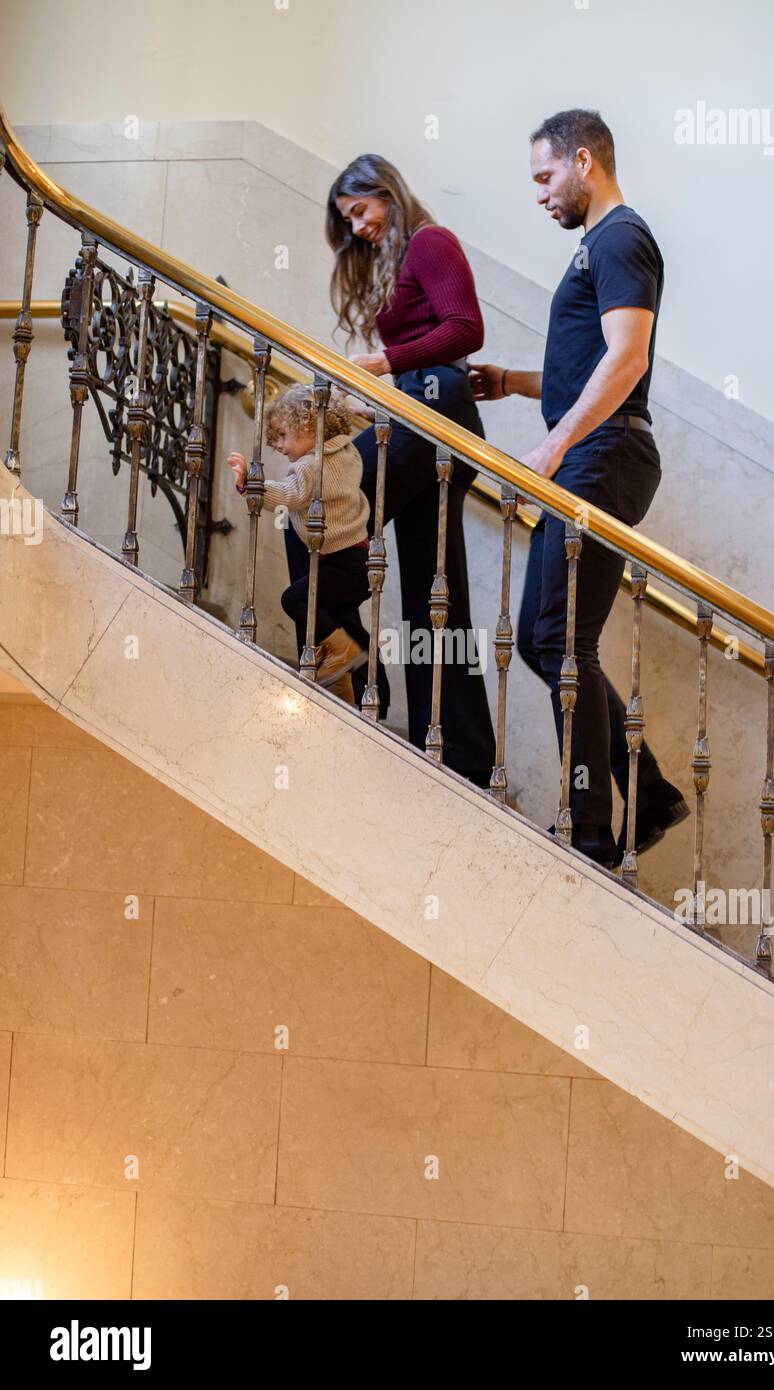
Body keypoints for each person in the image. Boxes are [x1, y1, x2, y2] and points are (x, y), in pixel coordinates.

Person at [470, 109, 687, 867]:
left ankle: (590, 828)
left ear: (583, 160)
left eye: (544, 176)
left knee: (562, 639)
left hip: (603, 456)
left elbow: (627, 360)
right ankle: (650, 789)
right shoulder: (598, 247)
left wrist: (556, 444)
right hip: (594, 450)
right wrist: (516, 382)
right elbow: (589, 363)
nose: (539, 195)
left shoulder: (621, 237)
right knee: (544, 639)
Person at [326, 153, 496, 785]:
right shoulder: (399, 256)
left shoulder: (430, 241)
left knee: (321, 509)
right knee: (436, 597)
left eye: (361, 211)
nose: (357, 228)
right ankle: (460, 760)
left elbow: (466, 328)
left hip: (436, 406)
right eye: (347, 221)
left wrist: (385, 360)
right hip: (425, 411)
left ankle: (346, 650)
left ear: (387, 194)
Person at [228, 384, 370, 704]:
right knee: (328, 616)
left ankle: (342, 656)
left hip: (342, 560)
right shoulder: (349, 452)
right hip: (360, 561)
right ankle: (343, 685)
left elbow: (290, 495)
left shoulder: (309, 466)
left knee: (295, 601)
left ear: (309, 426)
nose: (279, 446)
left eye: (282, 436)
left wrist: (251, 482)